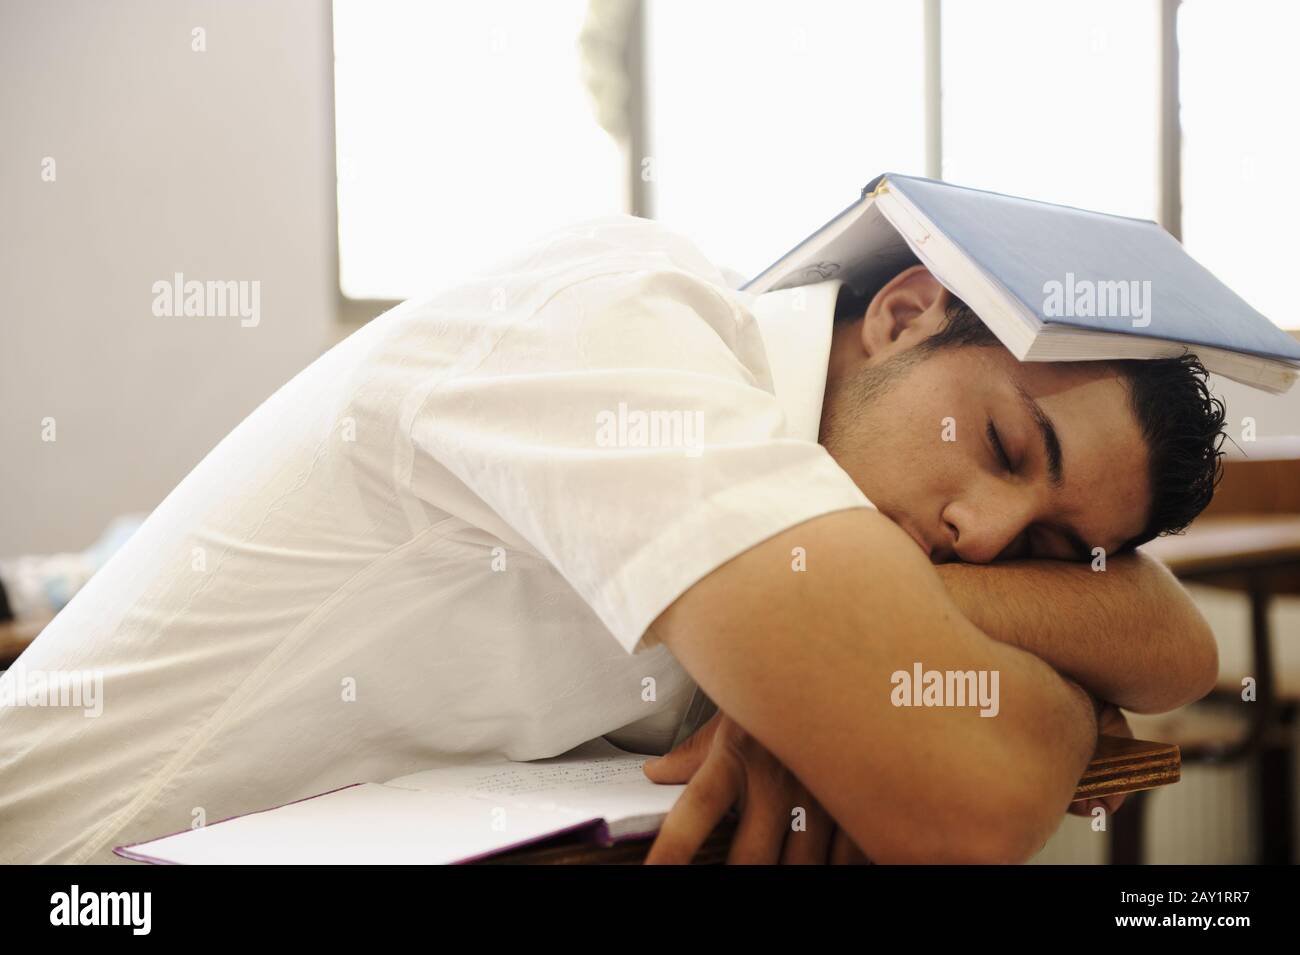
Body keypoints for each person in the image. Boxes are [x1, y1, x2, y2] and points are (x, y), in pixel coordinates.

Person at [0, 215, 1223, 864]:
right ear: (904, 313)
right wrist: (1051, 703)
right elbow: (966, 804)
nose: (985, 532)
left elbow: (1169, 641)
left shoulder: (815, 491)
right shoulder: (631, 327)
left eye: (1052, 550)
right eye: (1007, 448)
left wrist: (881, 656)